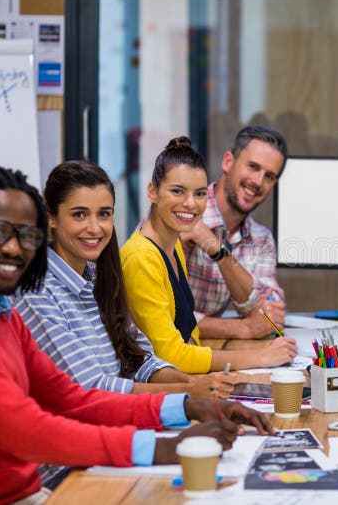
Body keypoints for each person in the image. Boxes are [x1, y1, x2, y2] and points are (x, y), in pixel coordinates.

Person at [0, 165, 272, 504]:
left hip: (29, 489)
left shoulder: (3, 314)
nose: (15, 249)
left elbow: (73, 399)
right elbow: (25, 429)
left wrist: (190, 405)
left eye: (26, 235)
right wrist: (164, 445)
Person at [14, 161, 240, 487]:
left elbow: (138, 356)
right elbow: (89, 392)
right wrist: (189, 395)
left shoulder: (96, 276)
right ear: (51, 217)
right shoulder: (36, 293)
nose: (95, 228)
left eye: (104, 214)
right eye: (79, 215)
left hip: (114, 442)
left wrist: (195, 390)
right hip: (67, 470)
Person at [120, 137, 296, 373]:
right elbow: (171, 352)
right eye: (177, 191)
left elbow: (268, 316)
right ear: (152, 192)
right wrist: (255, 348)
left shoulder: (172, 244)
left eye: (200, 193)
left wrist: (217, 249)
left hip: (184, 365)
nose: (190, 204)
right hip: (156, 379)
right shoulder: (148, 250)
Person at [182, 126, 288, 341]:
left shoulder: (261, 239)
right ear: (228, 162)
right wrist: (242, 328)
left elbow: (270, 317)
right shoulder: (183, 209)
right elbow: (160, 318)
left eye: (269, 176)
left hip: (203, 353)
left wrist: (218, 251)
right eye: (253, 167)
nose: (258, 182)